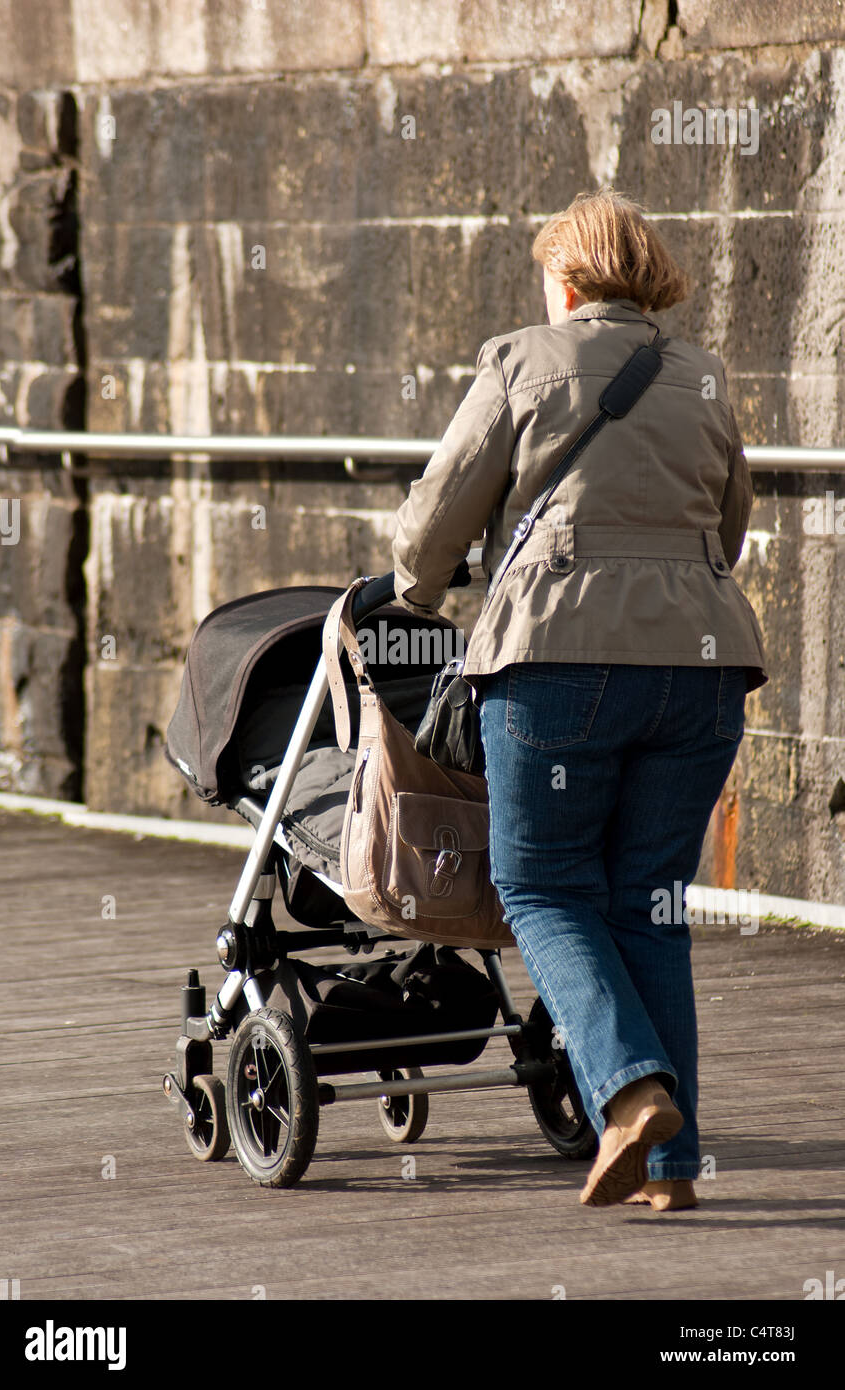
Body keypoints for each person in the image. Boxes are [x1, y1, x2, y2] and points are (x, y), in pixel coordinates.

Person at [390, 187, 768, 1212]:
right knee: (651, 901)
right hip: (703, 667)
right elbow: (731, 527)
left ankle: (633, 1095)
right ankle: (671, 1171)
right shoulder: (701, 373)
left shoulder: (522, 360)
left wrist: (417, 588)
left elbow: (437, 519)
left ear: (565, 280)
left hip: (560, 661)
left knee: (545, 886)